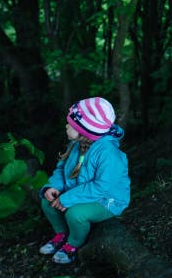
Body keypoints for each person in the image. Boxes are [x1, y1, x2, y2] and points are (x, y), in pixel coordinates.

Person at [38, 97, 130, 265]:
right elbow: (61, 169)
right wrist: (53, 187)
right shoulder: (76, 144)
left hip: (106, 199)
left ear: (86, 130)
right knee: (46, 201)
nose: (66, 126)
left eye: (71, 125)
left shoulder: (108, 154)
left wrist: (67, 199)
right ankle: (61, 233)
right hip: (79, 191)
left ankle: (73, 244)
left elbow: (102, 187)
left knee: (76, 214)